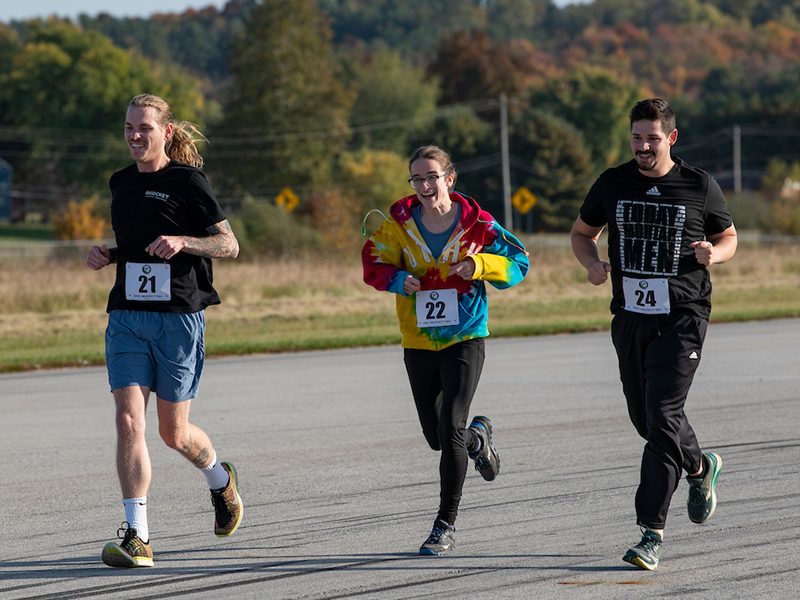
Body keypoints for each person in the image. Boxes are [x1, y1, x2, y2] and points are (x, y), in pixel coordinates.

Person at [571, 98, 737, 570]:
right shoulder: (613, 182)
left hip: (683, 315)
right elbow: (582, 233)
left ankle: (651, 533)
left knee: (662, 416)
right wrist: (591, 264)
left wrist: (715, 254)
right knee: (647, 421)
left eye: (652, 138)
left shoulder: (698, 184)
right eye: (636, 138)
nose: (643, 147)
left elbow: (729, 237)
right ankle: (700, 467)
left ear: (671, 138)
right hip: (630, 316)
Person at [87, 94, 242, 568]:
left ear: (166, 132)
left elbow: (228, 244)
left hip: (178, 317)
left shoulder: (188, 181)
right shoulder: (120, 182)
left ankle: (220, 480)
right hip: (127, 316)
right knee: (128, 421)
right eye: (129, 127)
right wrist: (110, 255)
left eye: (145, 128)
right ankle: (138, 537)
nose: (135, 136)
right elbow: (139, 246)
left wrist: (183, 241)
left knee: (174, 434)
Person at [362, 145, 529, 555]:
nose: (424, 185)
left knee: (450, 426)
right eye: (416, 178)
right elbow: (372, 265)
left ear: (449, 179)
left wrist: (480, 265)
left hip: (465, 336)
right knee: (438, 437)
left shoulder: (478, 224)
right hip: (418, 340)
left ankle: (444, 525)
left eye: (431, 177)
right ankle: (478, 440)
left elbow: (518, 261)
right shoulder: (396, 226)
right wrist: (398, 280)